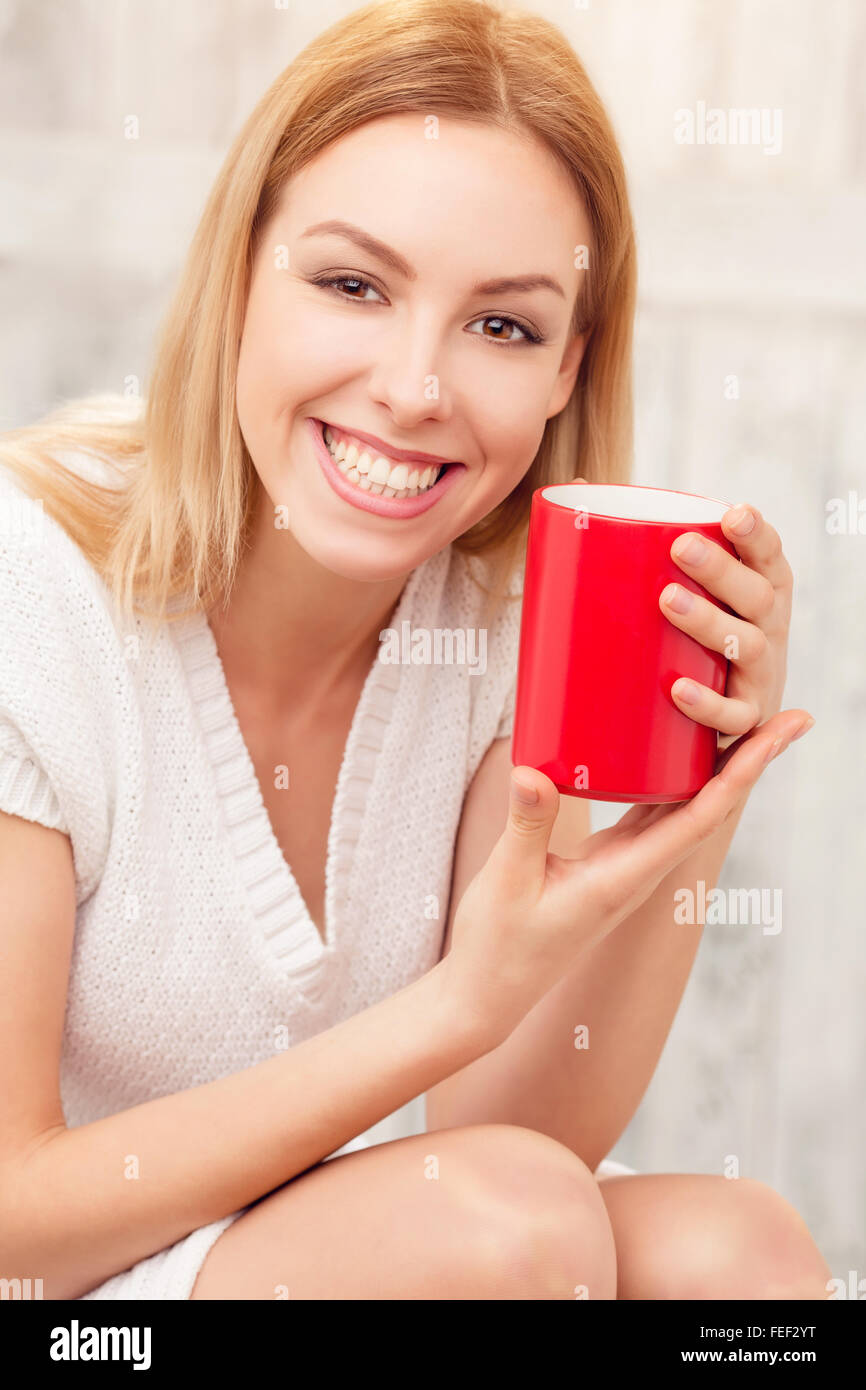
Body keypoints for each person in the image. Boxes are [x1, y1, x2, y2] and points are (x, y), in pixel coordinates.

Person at [0, 0, 830, 1300]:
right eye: (351, 284)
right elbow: (11, 1217)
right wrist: (451, 1007)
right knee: (509, 1230)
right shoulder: (32, 592)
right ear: (237, 277)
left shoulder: (501, 619)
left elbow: (521, 1138)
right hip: (67, 1293)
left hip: (339, 1249)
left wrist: (698, 791)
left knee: (744, 1257)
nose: (412, 386)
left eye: (500, 325)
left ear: (566, 370)